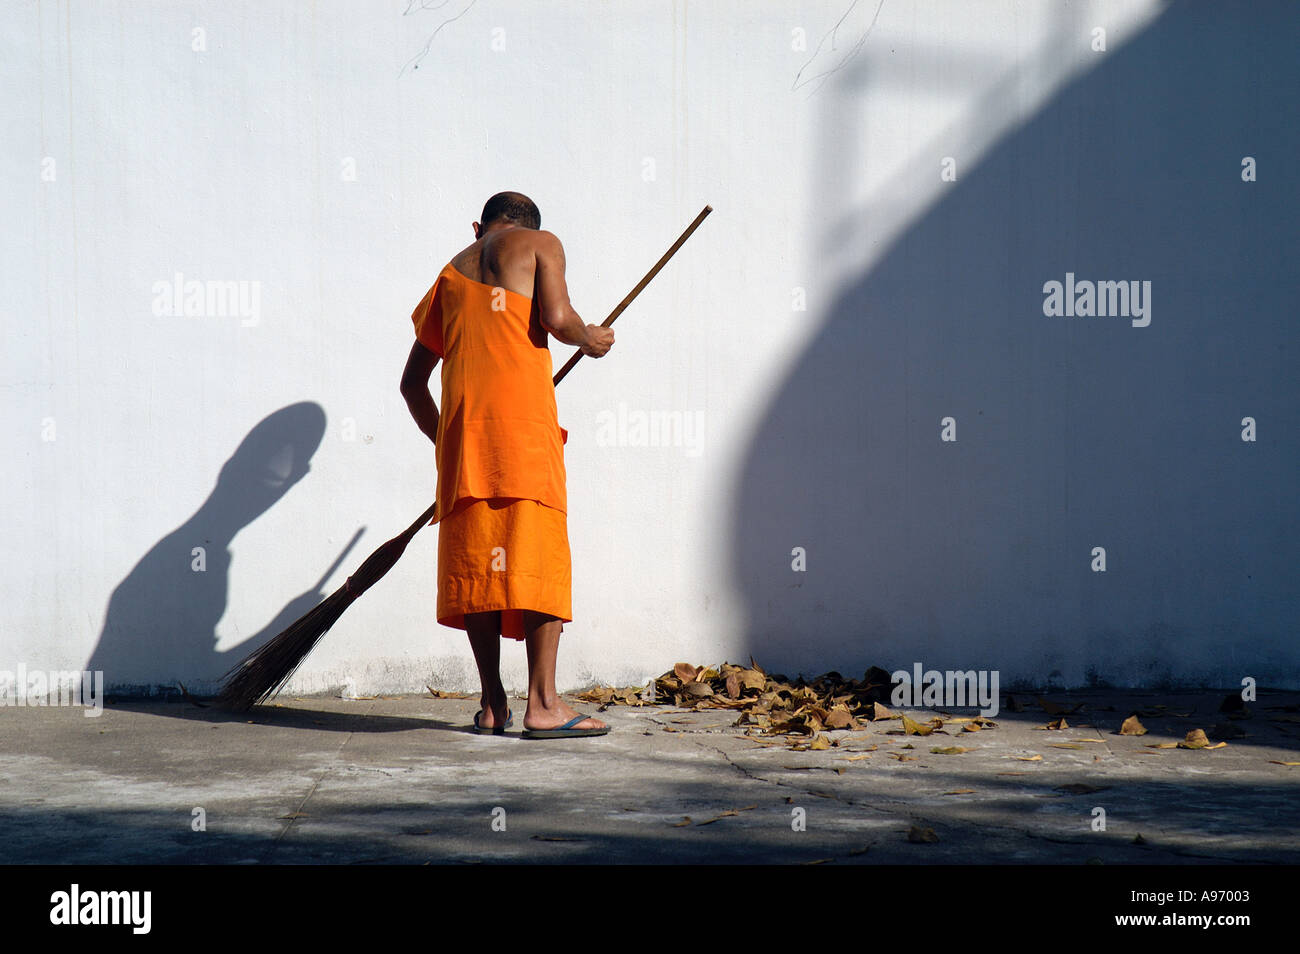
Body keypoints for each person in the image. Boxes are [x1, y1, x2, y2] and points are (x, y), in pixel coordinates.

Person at [400, 191, 614, 738]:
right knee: (536, 560)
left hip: (467, 450)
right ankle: (543, 705)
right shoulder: (542, 244)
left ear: (478, 226)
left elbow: (412, 385)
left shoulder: (450, 274)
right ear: (532, 226)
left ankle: (493, 705)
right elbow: (560, 318)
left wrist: (444, 443)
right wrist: (589, 339)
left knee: (480, 570)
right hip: (523, 437)